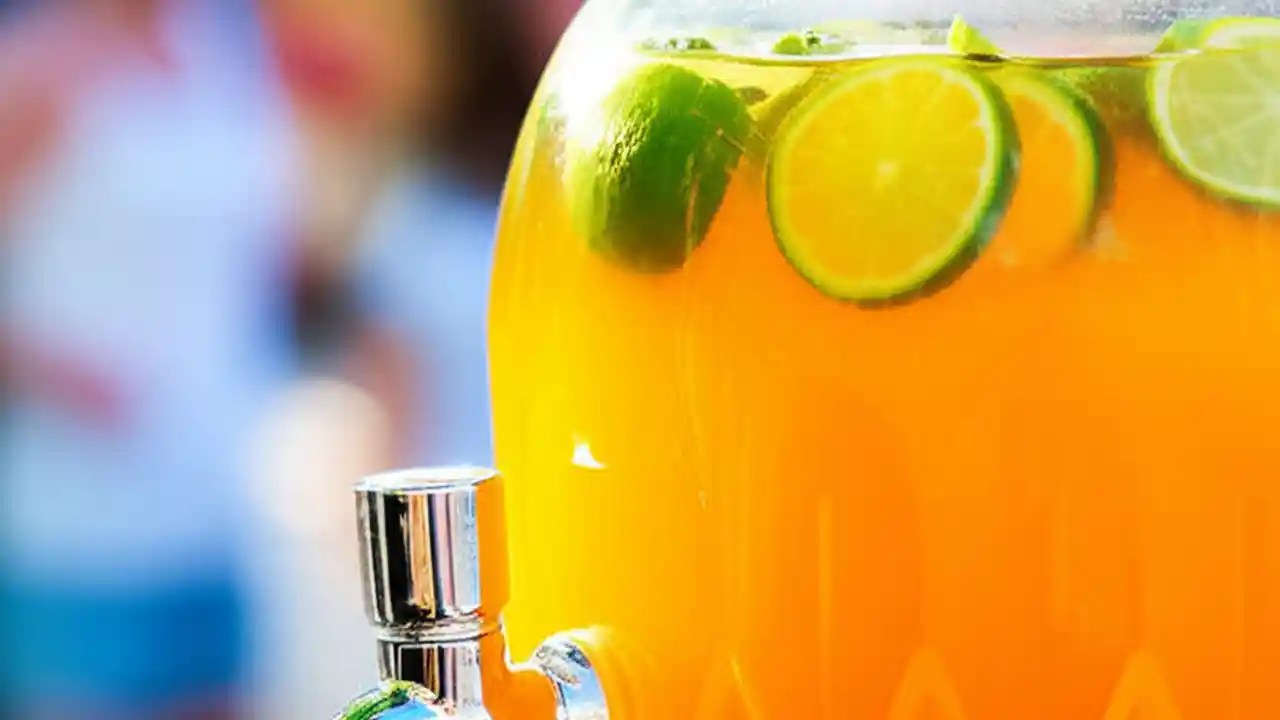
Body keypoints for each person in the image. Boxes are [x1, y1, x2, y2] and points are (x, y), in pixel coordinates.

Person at [0, 1, 295, 717]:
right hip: (83, 526)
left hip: (217, 509)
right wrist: (57, 374)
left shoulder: (233, 47)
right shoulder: (37, 63)